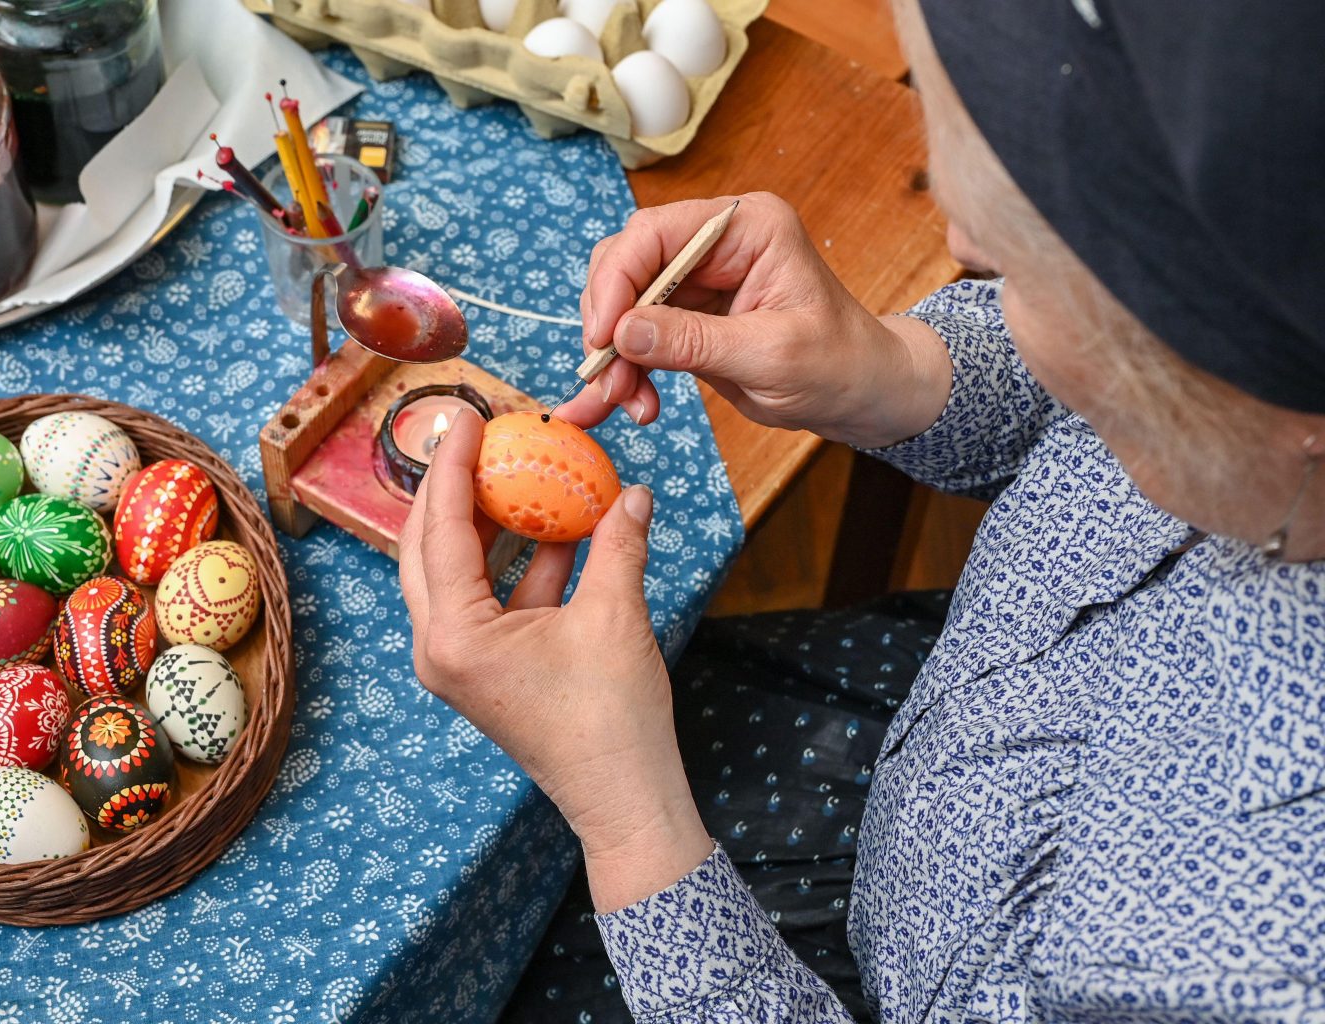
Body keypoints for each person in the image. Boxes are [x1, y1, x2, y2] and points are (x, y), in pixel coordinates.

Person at [399, 0, 1325, 1018]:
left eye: (1020, 263)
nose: (963, 244)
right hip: (921, 734)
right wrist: (892, 374)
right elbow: (1102, 385)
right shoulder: (1254, 335)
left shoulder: (1274, 951)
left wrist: (628, 819)